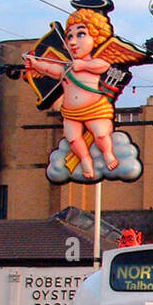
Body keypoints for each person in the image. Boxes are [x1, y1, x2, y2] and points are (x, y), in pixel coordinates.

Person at [23, 9, 134, 180]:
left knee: (101, 135)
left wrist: (83, 65)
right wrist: (36, 64)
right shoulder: (66, 68)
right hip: (71, 113)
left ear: (95, 38)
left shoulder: (93, 62)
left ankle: (108, 153)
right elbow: (49, 69)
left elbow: (102, 67)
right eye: (69, 37)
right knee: (73, 139)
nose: (73, 42)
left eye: (81, 34)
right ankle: (85, 159)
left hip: (95, 108)